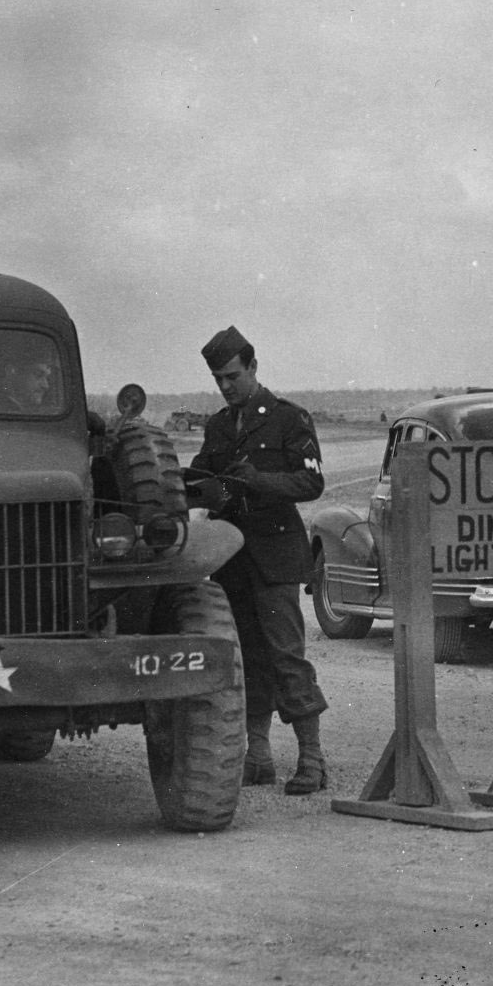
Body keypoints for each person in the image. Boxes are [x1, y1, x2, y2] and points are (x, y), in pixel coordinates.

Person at [187, 326, 331, 795]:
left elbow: (311, 484)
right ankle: (260, 757)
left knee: (287, 656)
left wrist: (258, 482)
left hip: (275, 556)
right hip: (232, 558)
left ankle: (312, 759)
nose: (226, 386)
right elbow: (204, 477)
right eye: (218, 379)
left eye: (232, 376)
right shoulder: (218, 426)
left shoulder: (288, 419)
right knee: (246, 660)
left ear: (252, 367)